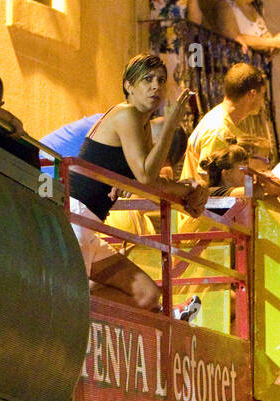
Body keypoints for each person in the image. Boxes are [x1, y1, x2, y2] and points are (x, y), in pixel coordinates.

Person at [68, 54, 207, 309]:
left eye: (161, 80)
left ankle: (73, 300)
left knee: (147, 294)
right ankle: (68, 301)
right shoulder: (127, 114)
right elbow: (145, 176)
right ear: (128, 86)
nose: (156, 86)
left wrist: (189, 191)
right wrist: (170, 125)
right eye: (147, 79)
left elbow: (148, 182)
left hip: (89, 225)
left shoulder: (141, 124)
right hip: (74, 219)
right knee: (76, 298)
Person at [181, 62, 269, 193]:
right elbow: (209, 187)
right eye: (262, 95)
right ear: (252, 95)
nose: (263, 102)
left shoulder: (220, 120)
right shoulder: (219, 130)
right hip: (200, 212)